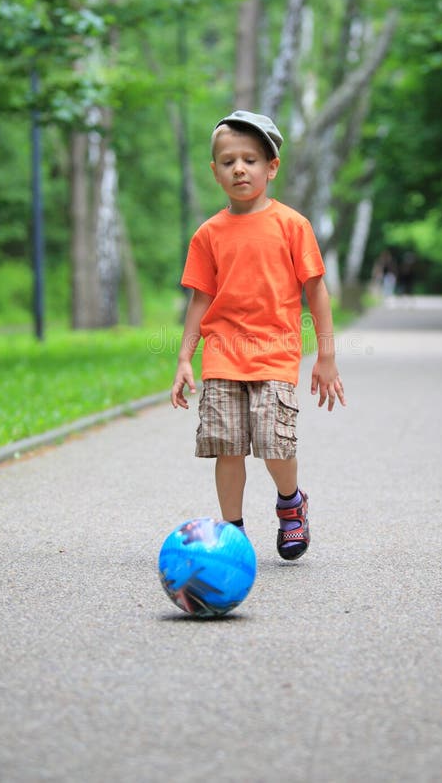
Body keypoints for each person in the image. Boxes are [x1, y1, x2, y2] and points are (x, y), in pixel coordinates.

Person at [170, 110, 345, 560]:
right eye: (228, 161)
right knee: (227, 447)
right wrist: (185, 358)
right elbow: (199, 300)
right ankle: (233, 535)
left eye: (250, 159)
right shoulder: (208, 234)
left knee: (273, 441)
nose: (239, 168)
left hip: (274, 353)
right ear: (215, 171)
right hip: (223, 355)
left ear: (272, 167)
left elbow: (316, 291)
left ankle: (291, 504)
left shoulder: (292, 225)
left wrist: (326, 357)